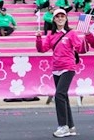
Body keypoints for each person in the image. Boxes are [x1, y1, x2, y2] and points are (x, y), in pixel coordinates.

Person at [37, 8, 87, 138]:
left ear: (66, 18)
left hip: (68, 67)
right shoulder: (51, 35)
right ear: (54, 19)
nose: (60, 18)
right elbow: (42, 49)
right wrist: (38, 38)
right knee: (63, 96)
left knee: (59, 95)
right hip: (56, 68)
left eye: (62, 16)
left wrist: (86, 39)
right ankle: (70, 126)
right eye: (57, 16)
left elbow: (81, 49)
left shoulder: (71, 33)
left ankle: (63, 126)